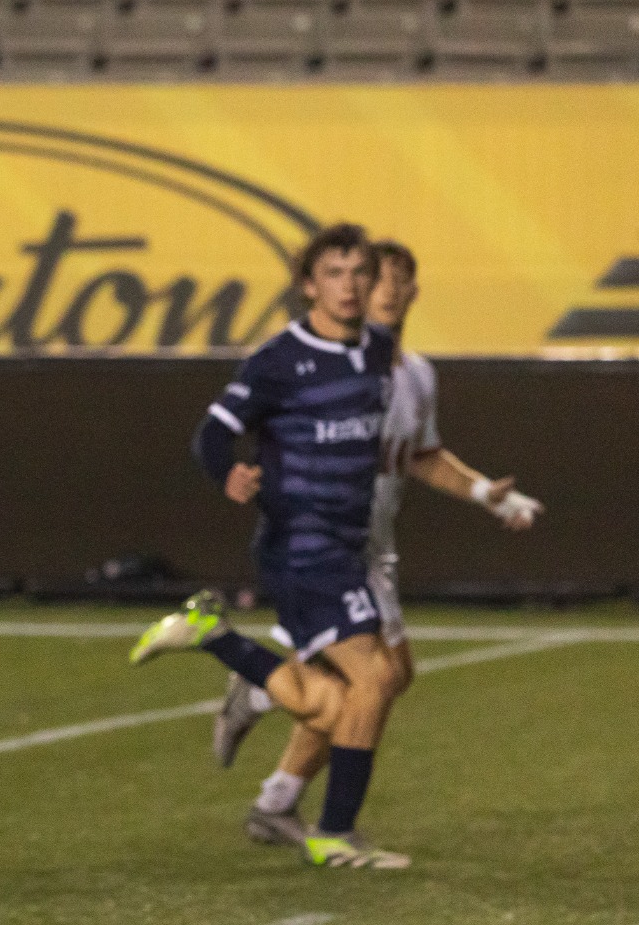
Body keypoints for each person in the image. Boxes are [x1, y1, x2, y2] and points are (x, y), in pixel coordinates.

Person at [213, 238, 545, 845]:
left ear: (412, 291)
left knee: (379, 681)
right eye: (374, 279)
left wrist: (487, 495)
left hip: (373, 547)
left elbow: (420, 456)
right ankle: (316, 809)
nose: (384, 290)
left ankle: (275, 779)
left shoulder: (413, 374)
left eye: (396, 280)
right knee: (377, 680)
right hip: (328, 548)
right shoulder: (325, 365)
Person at [130, 223, 409, 869]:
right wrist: (228, 472)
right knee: (376, 678)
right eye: (334, 273)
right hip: (301, 546)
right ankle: (335, 831)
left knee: (334, 703)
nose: (348, 286)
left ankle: (213, 637)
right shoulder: (280, 359)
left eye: (358, 273)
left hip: (345, 544)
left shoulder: (376, 350)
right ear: (309, 284)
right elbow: (212, 434)